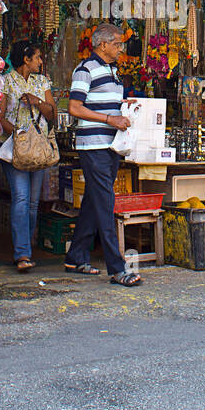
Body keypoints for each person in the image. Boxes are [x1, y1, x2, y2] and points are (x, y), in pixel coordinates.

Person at [65, 22, 141, 287]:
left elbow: (101, 102)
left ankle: (75, 257)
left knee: (94, 201)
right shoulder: (85, 70)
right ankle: (117, 268)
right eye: (117, 44)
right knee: (106, 203)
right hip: (93, 146)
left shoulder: (113, 70)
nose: (121, 49)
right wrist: (111, 119)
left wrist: (122, 106)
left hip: (109, 145)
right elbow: (75, 107)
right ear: (102, 44)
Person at [0, 40, 57, 272]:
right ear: (26, 59)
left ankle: (27, 247)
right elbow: (0, 116)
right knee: (21, 199)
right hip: (15, 148)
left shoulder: (42, 82)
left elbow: (52, 112)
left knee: (33, 203)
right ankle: (22, 253)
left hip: (39, 148)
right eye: (38, 57)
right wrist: (18, 134)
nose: (41, 62)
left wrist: (37, 101)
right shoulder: (5, 82)